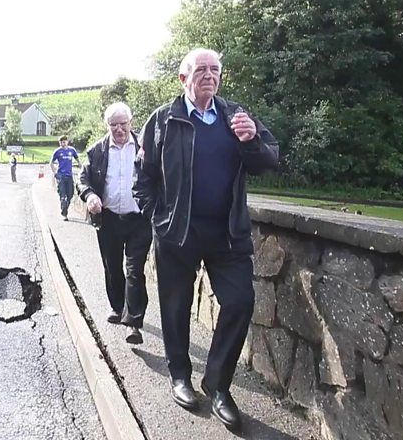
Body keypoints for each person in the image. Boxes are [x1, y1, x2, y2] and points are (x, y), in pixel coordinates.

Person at [135, 48, 278, 431]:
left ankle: (217, 385)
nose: (209, 76)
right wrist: (157, 218)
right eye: (201, 70)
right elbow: (143, 178)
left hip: (227, 234)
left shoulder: (237, 116)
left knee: (240, 301)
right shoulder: (163, 119)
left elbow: (268, 161)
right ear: (184, 78)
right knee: (176, 307)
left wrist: (251, 142)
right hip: (177, 233)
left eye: (215, 70)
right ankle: (179, 375)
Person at [77, 102, 151, 344]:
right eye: (113, 125)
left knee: (134, 270)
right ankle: (117, 307)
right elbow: (83, 179)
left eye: (123, 124)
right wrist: (90, 196)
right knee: (112, 267)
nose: (119, 129)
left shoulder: (145, 146)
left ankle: (133, 324)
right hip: (108, 219)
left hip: (139, 219)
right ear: (106, 125)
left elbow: (159, 175)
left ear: (131, 122)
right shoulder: (97, 150)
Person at [50, 136, 80, 220]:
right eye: (61, 142)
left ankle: (65, 208)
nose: (63, 143)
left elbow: (78, 161)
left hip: (69, 176)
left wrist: (82, 168)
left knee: (70, 195)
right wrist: (55, 173)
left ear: (67, 142)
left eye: (64, 142)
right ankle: (64, 214)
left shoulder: (72, 150)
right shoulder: (58, 151)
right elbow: (51, 163)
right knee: (63, 196)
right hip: (61, 176)